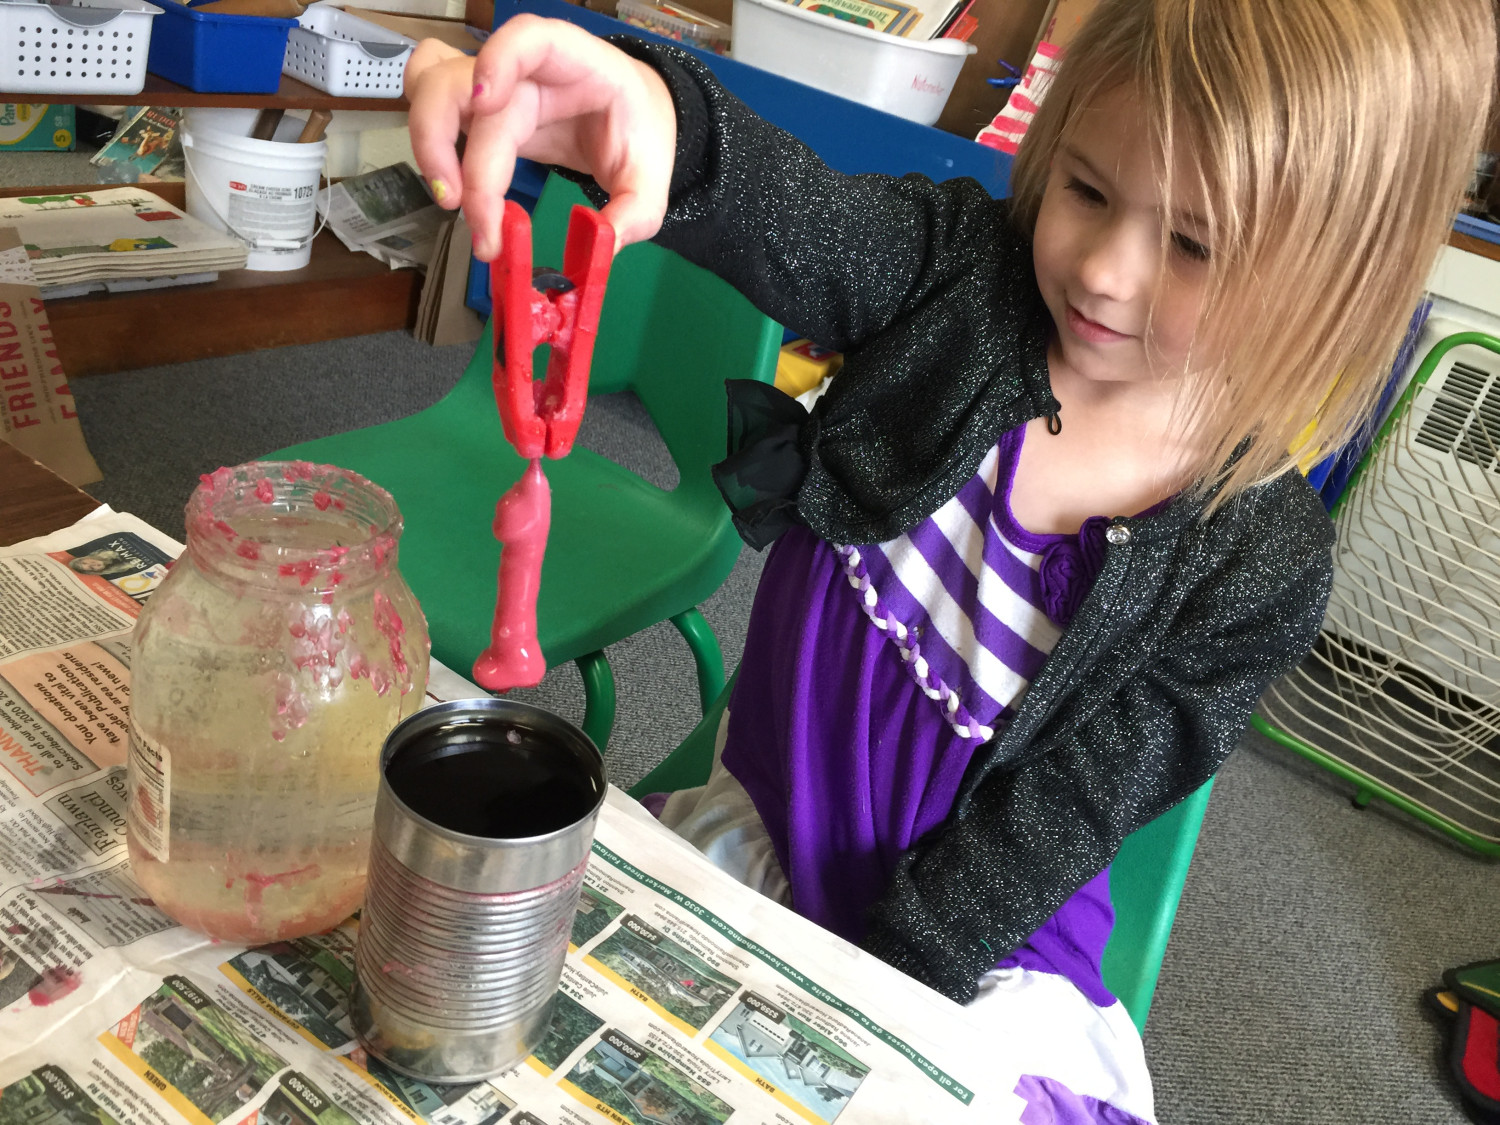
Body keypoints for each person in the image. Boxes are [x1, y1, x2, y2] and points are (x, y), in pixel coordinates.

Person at [404, 0, 1494, 1113]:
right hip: (768, 833)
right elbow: (806, 217)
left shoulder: (1256, 562)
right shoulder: (961, 280)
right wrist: (635, 112)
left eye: (1194, 245)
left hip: (968, 950)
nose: (1107, 272)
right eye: (1087, 190)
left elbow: (1056, 820)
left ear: (1336, 275)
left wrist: (882, 999)